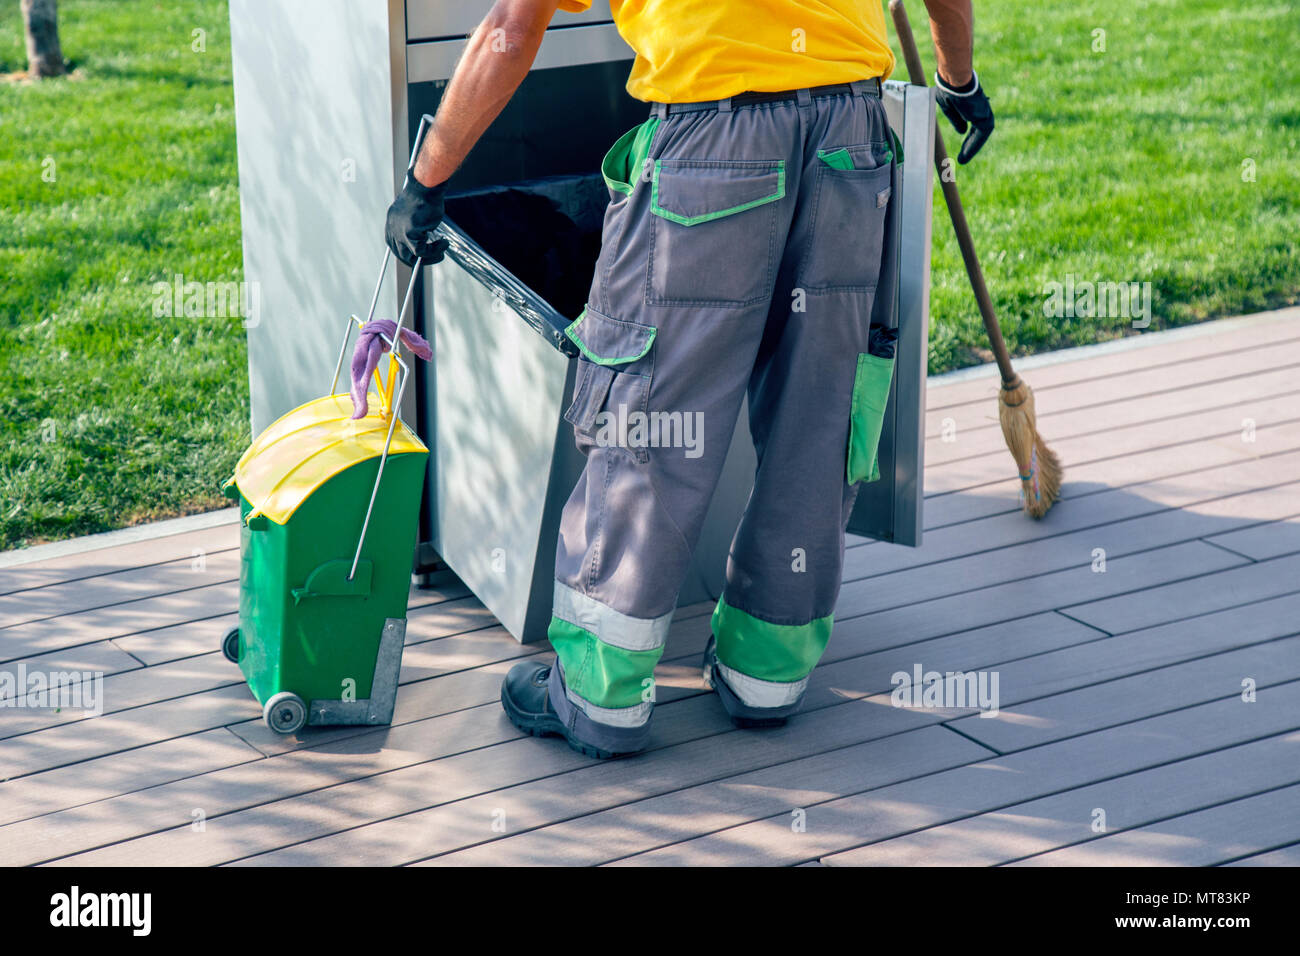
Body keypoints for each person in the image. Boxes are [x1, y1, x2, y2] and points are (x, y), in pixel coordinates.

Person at [386, 0, 995, 759]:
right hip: (850, 136)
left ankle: (600, 694)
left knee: (648, 409)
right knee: (820, 409)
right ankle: (766, 674)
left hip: (716, 139)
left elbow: (511, 27)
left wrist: (426, 179)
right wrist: (956, 78)